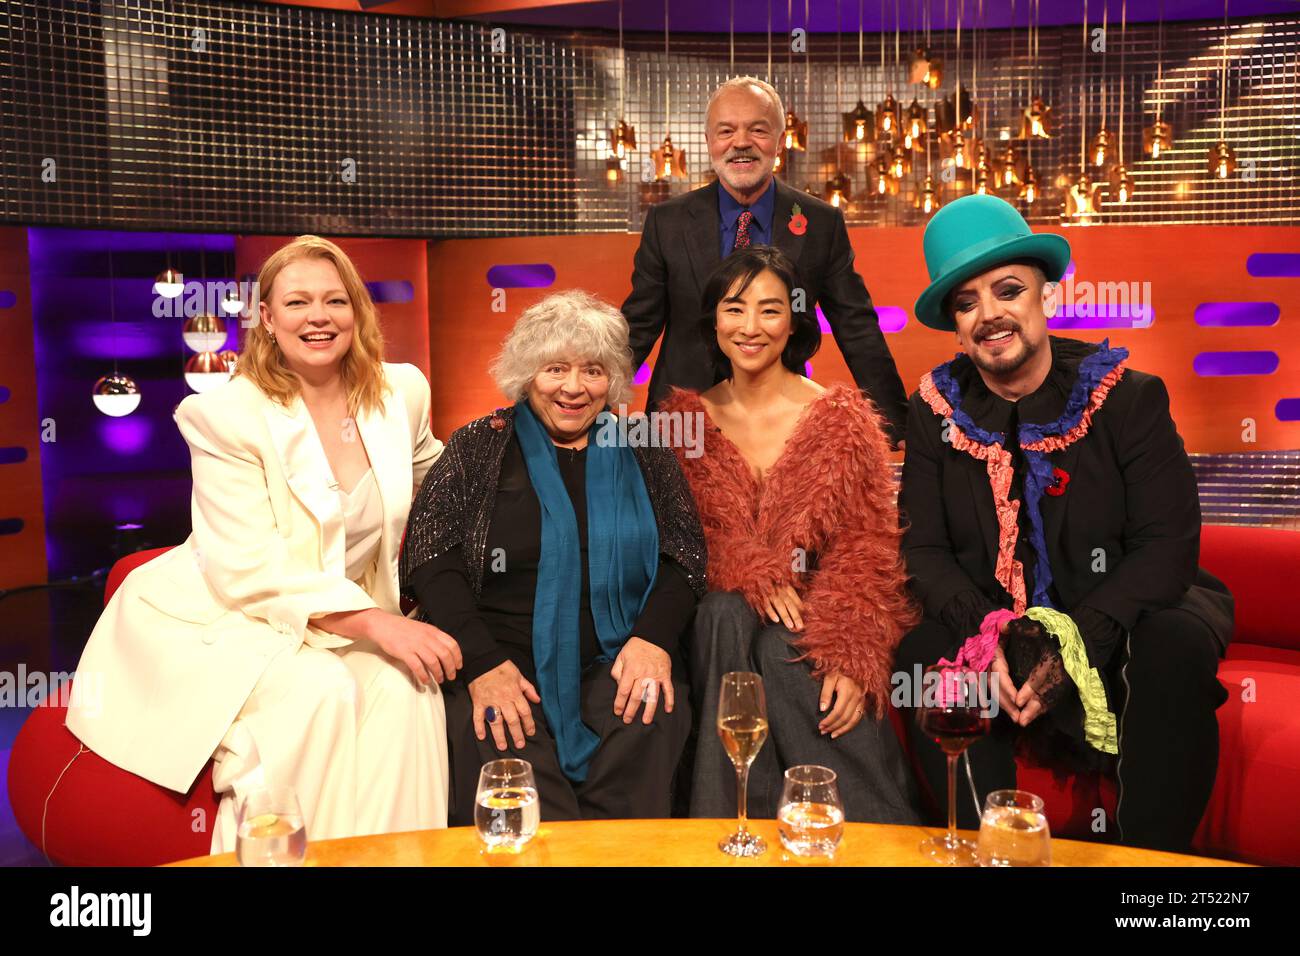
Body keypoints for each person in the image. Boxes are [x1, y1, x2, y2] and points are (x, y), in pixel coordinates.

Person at [66, 235, 457, 851]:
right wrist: (380, 624)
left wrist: (519, 453)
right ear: (268, 319)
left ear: (357, 310)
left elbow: (437, 474)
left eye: (335, 300)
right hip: (231, 613)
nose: (319, 317)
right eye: (297, 302)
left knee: (411, 688)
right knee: (322, 692)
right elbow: (247, 566)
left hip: (333, 617)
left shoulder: (400, 391)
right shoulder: (224, 416)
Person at [894, 194, 1234, 852]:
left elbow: (1166, 550)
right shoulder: (933, 409)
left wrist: (1068, 657)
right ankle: (987, 850)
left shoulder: (1130, 398)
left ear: (1044, 296)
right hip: (1000, 622)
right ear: (957, 326)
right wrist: (985, 639)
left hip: (1123, 612)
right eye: (967, 302)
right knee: (923, 651)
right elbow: (924, 550)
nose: (989, 314)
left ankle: (1150, 873)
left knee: (1174, 643)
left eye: (1008, 290)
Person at [400, 290, 706, 822]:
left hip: (619, 656)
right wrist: (481, 664)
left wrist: (654, 641)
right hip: (500, 659)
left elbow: (685, 557)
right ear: (526, 373)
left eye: (592, 371)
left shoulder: (643, 446)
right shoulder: (480, 444)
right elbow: (431, 561)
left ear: (611, 379)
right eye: (555, 368)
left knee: (648, 720)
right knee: (521, 794)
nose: (573, 387)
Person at [658, 245, 922, 824]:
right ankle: (724, 824)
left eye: (770, 310)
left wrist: (851, 654)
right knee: (724, 612)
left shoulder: (841, 418)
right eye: (734, 308)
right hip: (710, 630)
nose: (750, 327)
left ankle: (870, 834)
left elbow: (868, 548)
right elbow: (678, 541)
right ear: (713, 321)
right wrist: (748, 570)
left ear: (795, 321)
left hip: (812, 621)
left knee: (782, 648)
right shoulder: (681, 423)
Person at [621, 75, 909, 445]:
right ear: (709, 142)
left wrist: (896, 419)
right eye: (726, 131)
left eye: (757, 129)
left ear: (779, 139)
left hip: (783, 424)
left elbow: (856, 326)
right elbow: (638, 326)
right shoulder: (667, 222)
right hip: (683, 424)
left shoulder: (821, 222)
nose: (741, 143)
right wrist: (593, 402)